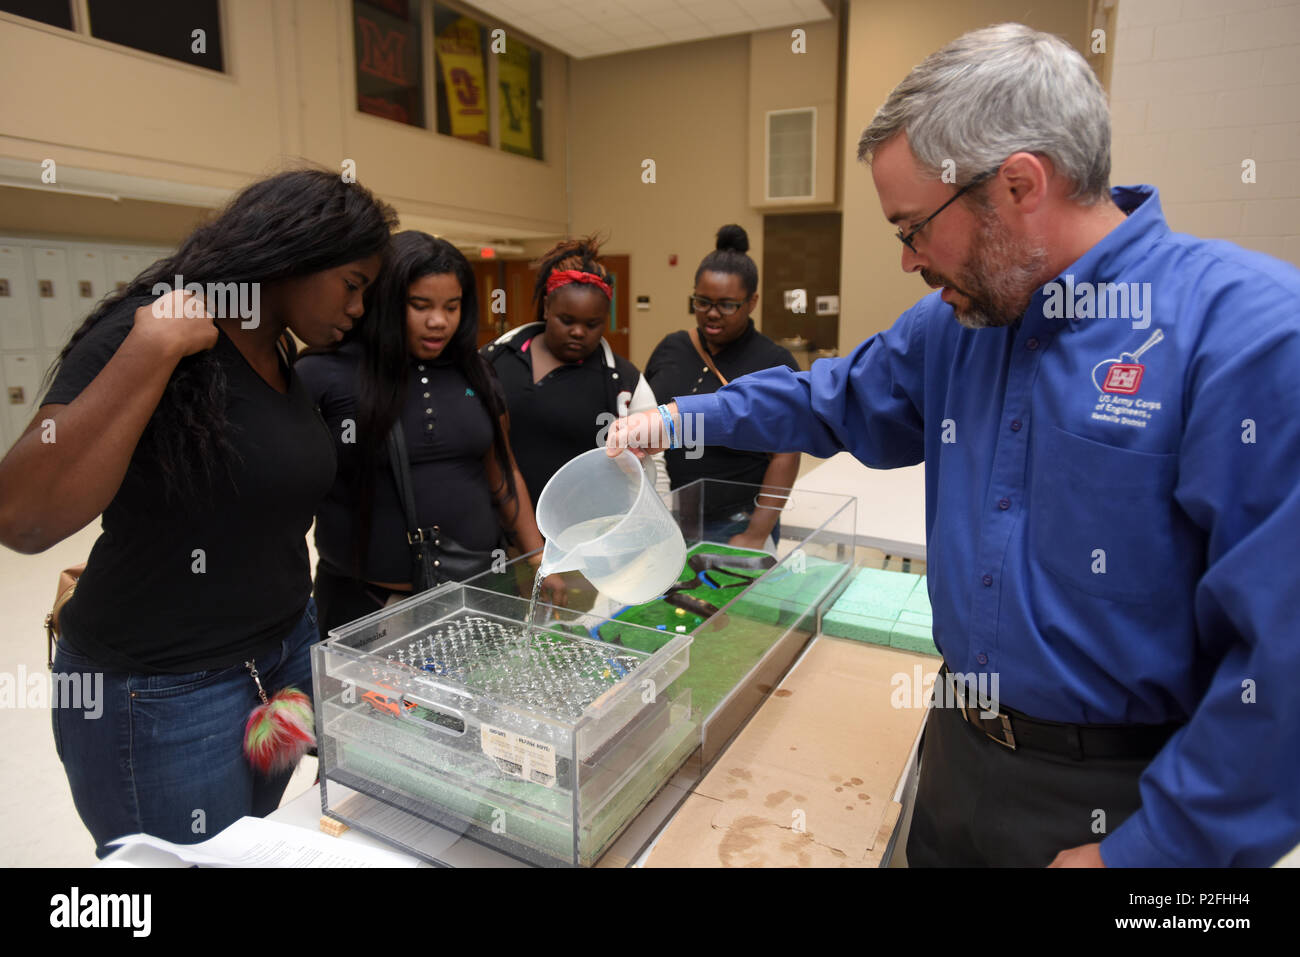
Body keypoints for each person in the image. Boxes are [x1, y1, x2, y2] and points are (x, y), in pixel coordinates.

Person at [607, 24, 1300, 867]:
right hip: (958, 753)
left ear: (1018, 185)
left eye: (912, 228)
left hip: (1123, 798)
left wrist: (1156, 854)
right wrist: (678, 419)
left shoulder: (1250, 335)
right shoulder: (959, 325)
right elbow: (831, 396)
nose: (907, 261)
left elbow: (1284, 662)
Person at [0, 169, 397, 856]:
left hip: (279, 657)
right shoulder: (154, 328)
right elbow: (23, 515)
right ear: (295, 253)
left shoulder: (275, 347)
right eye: (353, 285)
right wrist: (149, 351)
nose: (359, 308)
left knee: (246, 844)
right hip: (164, 691)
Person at [298, 231, 564, 637]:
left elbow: (502, 472)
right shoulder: (326, 373)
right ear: (385, 301)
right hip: (368, 608)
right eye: (419, 305)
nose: (439, 321)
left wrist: (537, 558)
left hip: (476, 598)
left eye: (452, 306)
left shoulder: (476, 371)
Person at [644, 225, 800, 549]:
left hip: (738, 523)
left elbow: (785, 455)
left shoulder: (772, 362)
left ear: (752, 301)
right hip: (669, 519)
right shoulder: (671, 348)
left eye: (727, 305)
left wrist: (756, 534)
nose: (712, 314)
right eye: (702, 302)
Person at [481, 236, 658, 507]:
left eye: (592, 324)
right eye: (567, 320)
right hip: (499, 529)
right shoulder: (495, 358)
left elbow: (654, 464)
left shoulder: (623, 381)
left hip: (585, 530)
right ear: (546, 307)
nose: (578, 332)